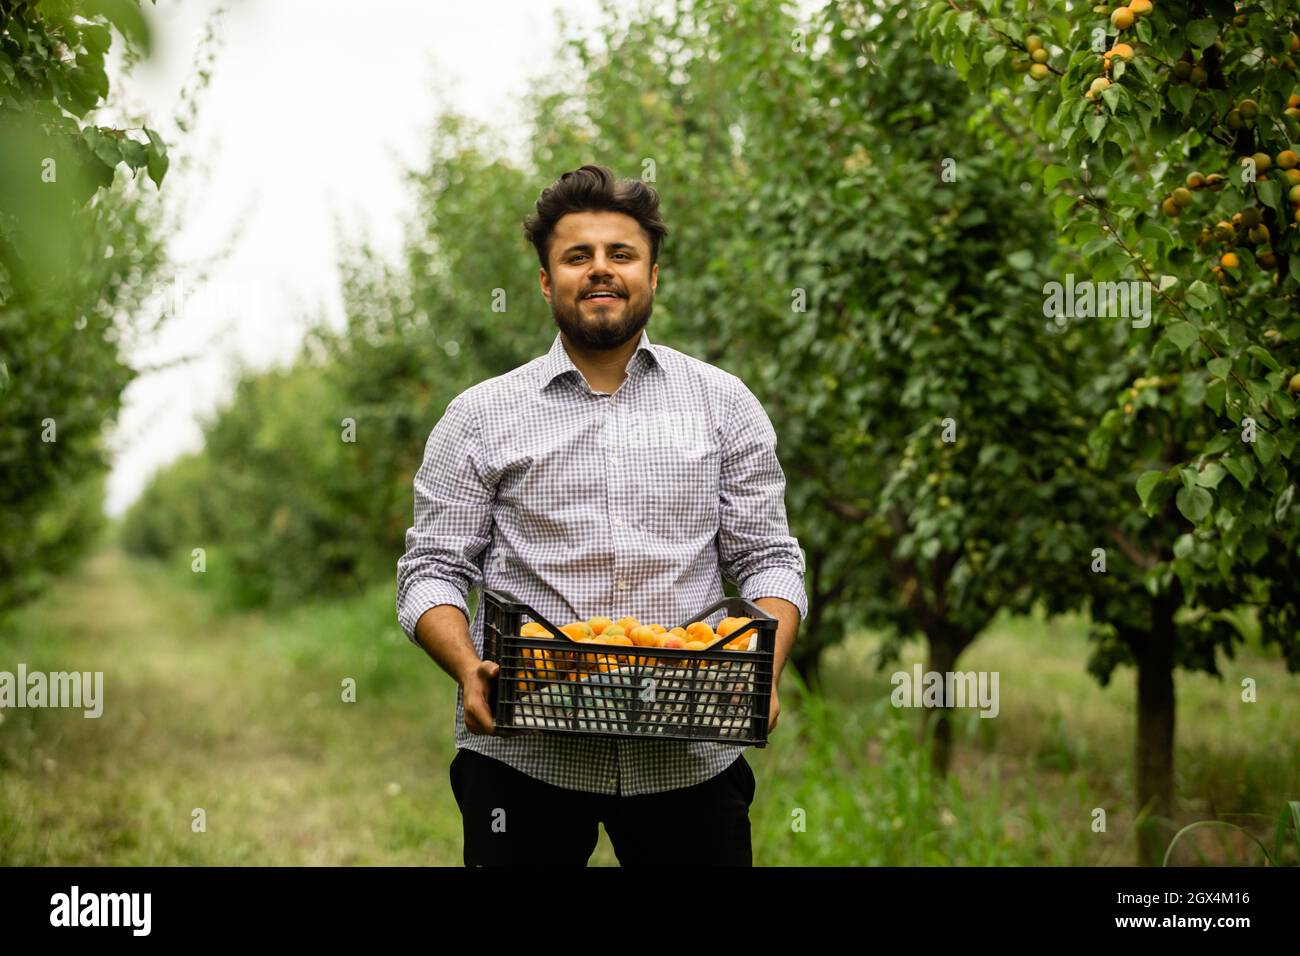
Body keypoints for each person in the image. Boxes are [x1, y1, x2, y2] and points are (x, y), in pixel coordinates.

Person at [396, 164, 807, 866]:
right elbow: (432, 571)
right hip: (525, 757)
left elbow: (769, 558)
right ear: (545, 280)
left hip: (689, 754)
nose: (600, 271)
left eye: (621, 254)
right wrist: (467, 667)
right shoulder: (480, 416)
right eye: (576, 256)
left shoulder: (724, 404)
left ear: (653, 275)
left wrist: (761, 672)